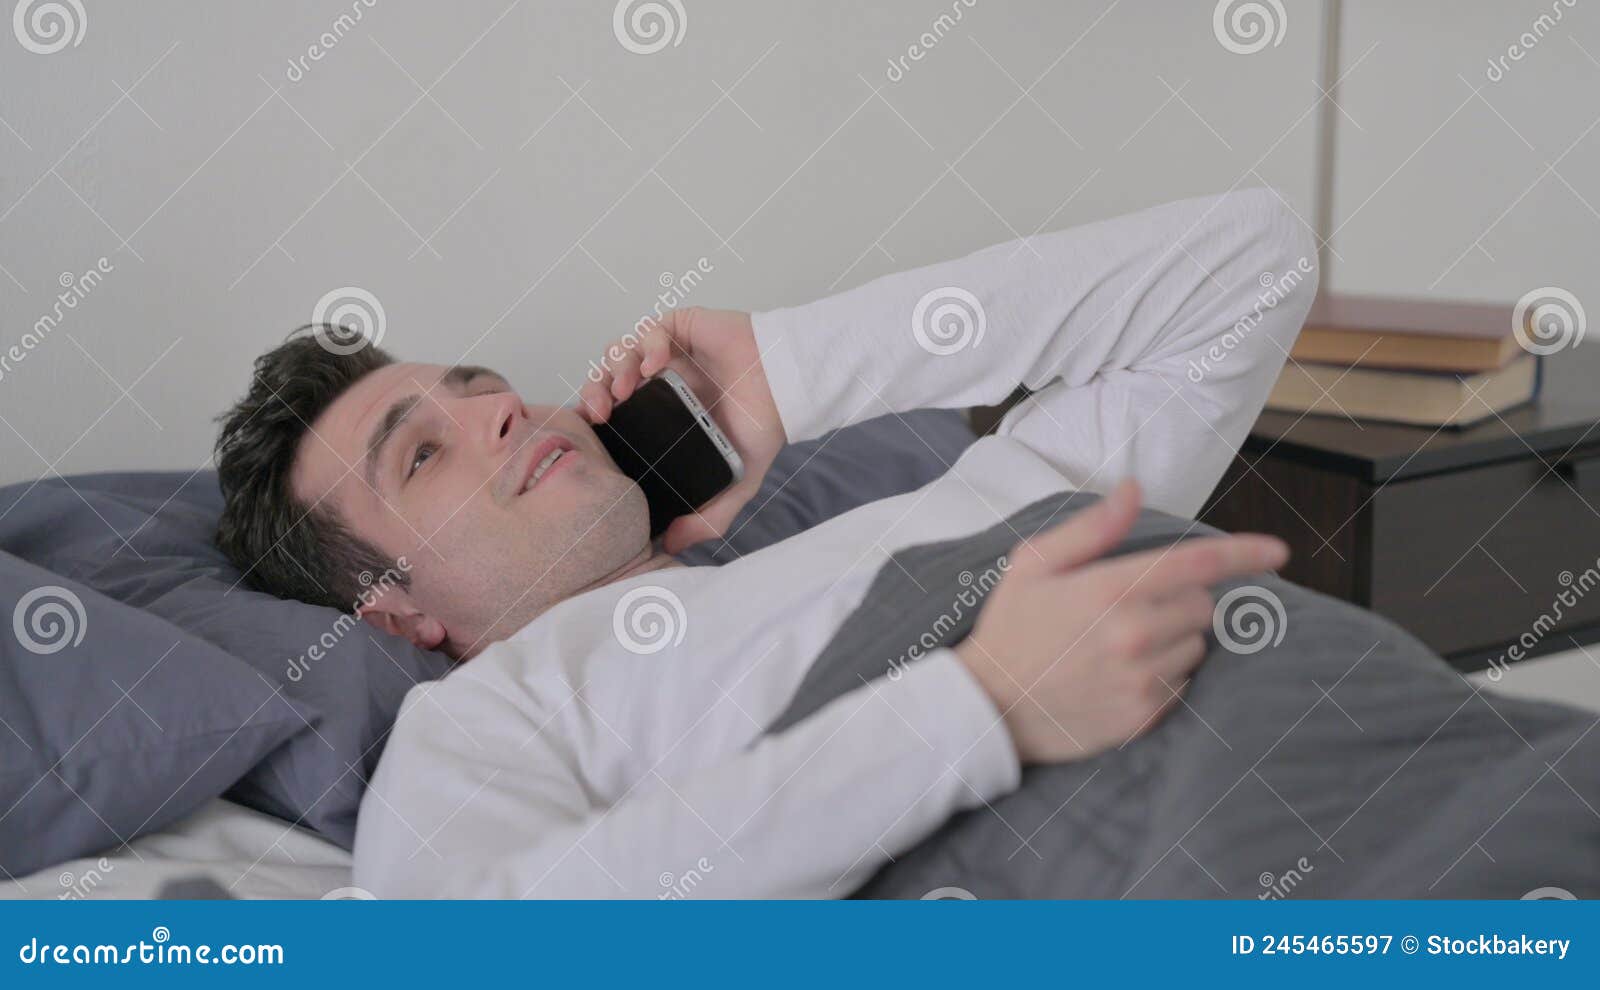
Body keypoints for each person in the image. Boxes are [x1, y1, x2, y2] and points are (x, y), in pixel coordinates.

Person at [213, 188, 1316, 897]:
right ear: (396, 609)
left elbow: (1253, 264)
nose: (500, 413)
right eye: (422, 457)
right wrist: (980, 707)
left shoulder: (914, 526)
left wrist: (792, 368)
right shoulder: (481, 724)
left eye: (486, 389)